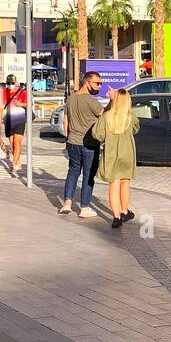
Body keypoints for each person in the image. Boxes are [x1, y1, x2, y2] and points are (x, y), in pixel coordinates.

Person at [58, 70, 104, 218]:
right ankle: (84, 207)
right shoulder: (91, 101)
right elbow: (105, 116)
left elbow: (66, 120)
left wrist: (68, 137)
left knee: (73, 172)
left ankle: (67, 203)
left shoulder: (71, 98)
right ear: (87, 82)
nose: (99, 86)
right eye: (97, 83)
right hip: (89, 143)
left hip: (73, 142)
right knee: (88, 175)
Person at [93, 87, 139, 229]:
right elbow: (136, 129)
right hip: (127, 153)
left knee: (114, 185)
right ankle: (125, 211)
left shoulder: (106, 117)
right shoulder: (131, 117)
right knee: (125, 183)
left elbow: (97, 134)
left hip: (111, 154)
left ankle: (116, 217)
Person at [2, 74, 29, 172]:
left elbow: (29, 104)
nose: (10, 85)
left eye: (12, 83)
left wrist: (21, 104)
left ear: (16, 82)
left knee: (17, 142)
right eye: (8, 83)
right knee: (12, 142)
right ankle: (17, 160)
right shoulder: (3, 92)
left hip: (19, 120)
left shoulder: (22, 92)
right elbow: (0, 104)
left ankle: (15, 163)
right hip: (8, 120)